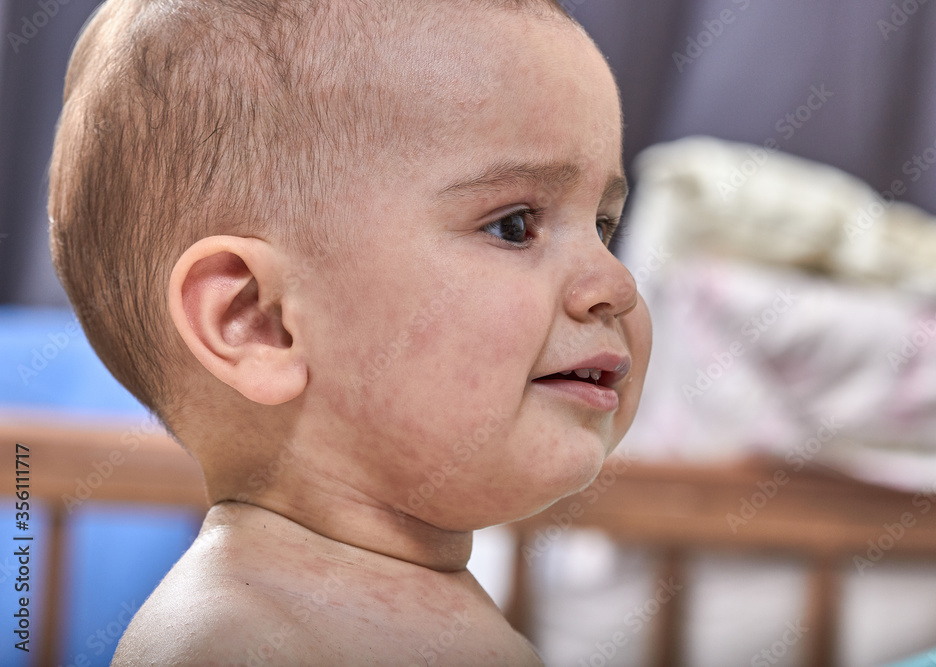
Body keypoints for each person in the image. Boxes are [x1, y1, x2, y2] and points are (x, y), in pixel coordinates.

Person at [47, 0, 652, 663]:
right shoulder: (233, 640)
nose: (616, 284)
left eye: (602, 225)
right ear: (261, 320)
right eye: (514, 224)